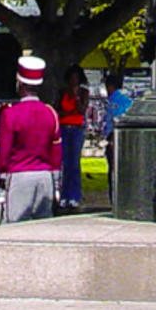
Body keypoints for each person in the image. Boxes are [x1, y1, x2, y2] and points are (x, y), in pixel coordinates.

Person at [0, 55, 60, 223]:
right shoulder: (51, 113)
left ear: (20, 84)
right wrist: (56, 183)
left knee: (14, 229)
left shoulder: (10, 114)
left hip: (19, 176)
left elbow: (3, 153)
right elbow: (56, 153)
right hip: (45, 178)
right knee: (43, 231)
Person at [55, 65, 89, 213]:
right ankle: (64, 195)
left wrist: (76, 98)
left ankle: (74, 195)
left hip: (76, 129)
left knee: (74, 163)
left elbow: (81, 110)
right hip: (64, 128)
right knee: (64, 162)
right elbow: (58, 111)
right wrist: (68, 112)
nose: (74, 81)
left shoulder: (83, 92)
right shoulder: (62, 92)